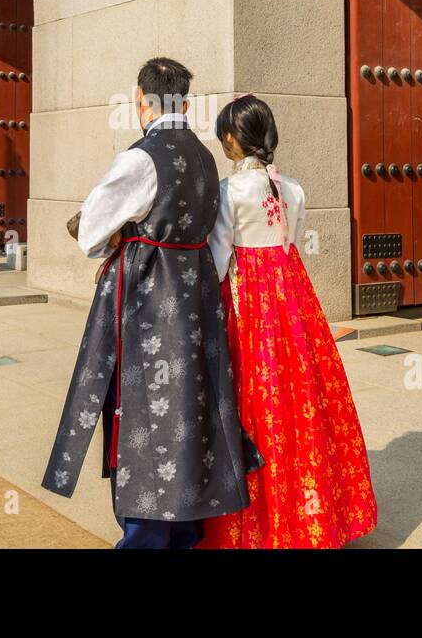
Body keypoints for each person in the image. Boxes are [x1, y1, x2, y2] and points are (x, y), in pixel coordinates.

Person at [42, 57, 260, 549]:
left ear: (142, 99)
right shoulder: (206, 158)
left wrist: (120, 236)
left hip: (146, 301)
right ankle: (184, 530)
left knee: (141, 408)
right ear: (184, 101)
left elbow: (92, 230)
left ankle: (143, 535)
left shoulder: (140, 158)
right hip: (196, 300)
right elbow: (217, 246)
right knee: (188, 407)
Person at [200, 95, 377, 548]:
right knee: (300, 399)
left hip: (249, 302)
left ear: (232, 138)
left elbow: (219, 258)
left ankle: (254, 522)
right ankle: (309, 516)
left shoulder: (230, 191)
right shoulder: (293, 188)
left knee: (253, 399)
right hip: (292, 299)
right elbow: (291, 243)